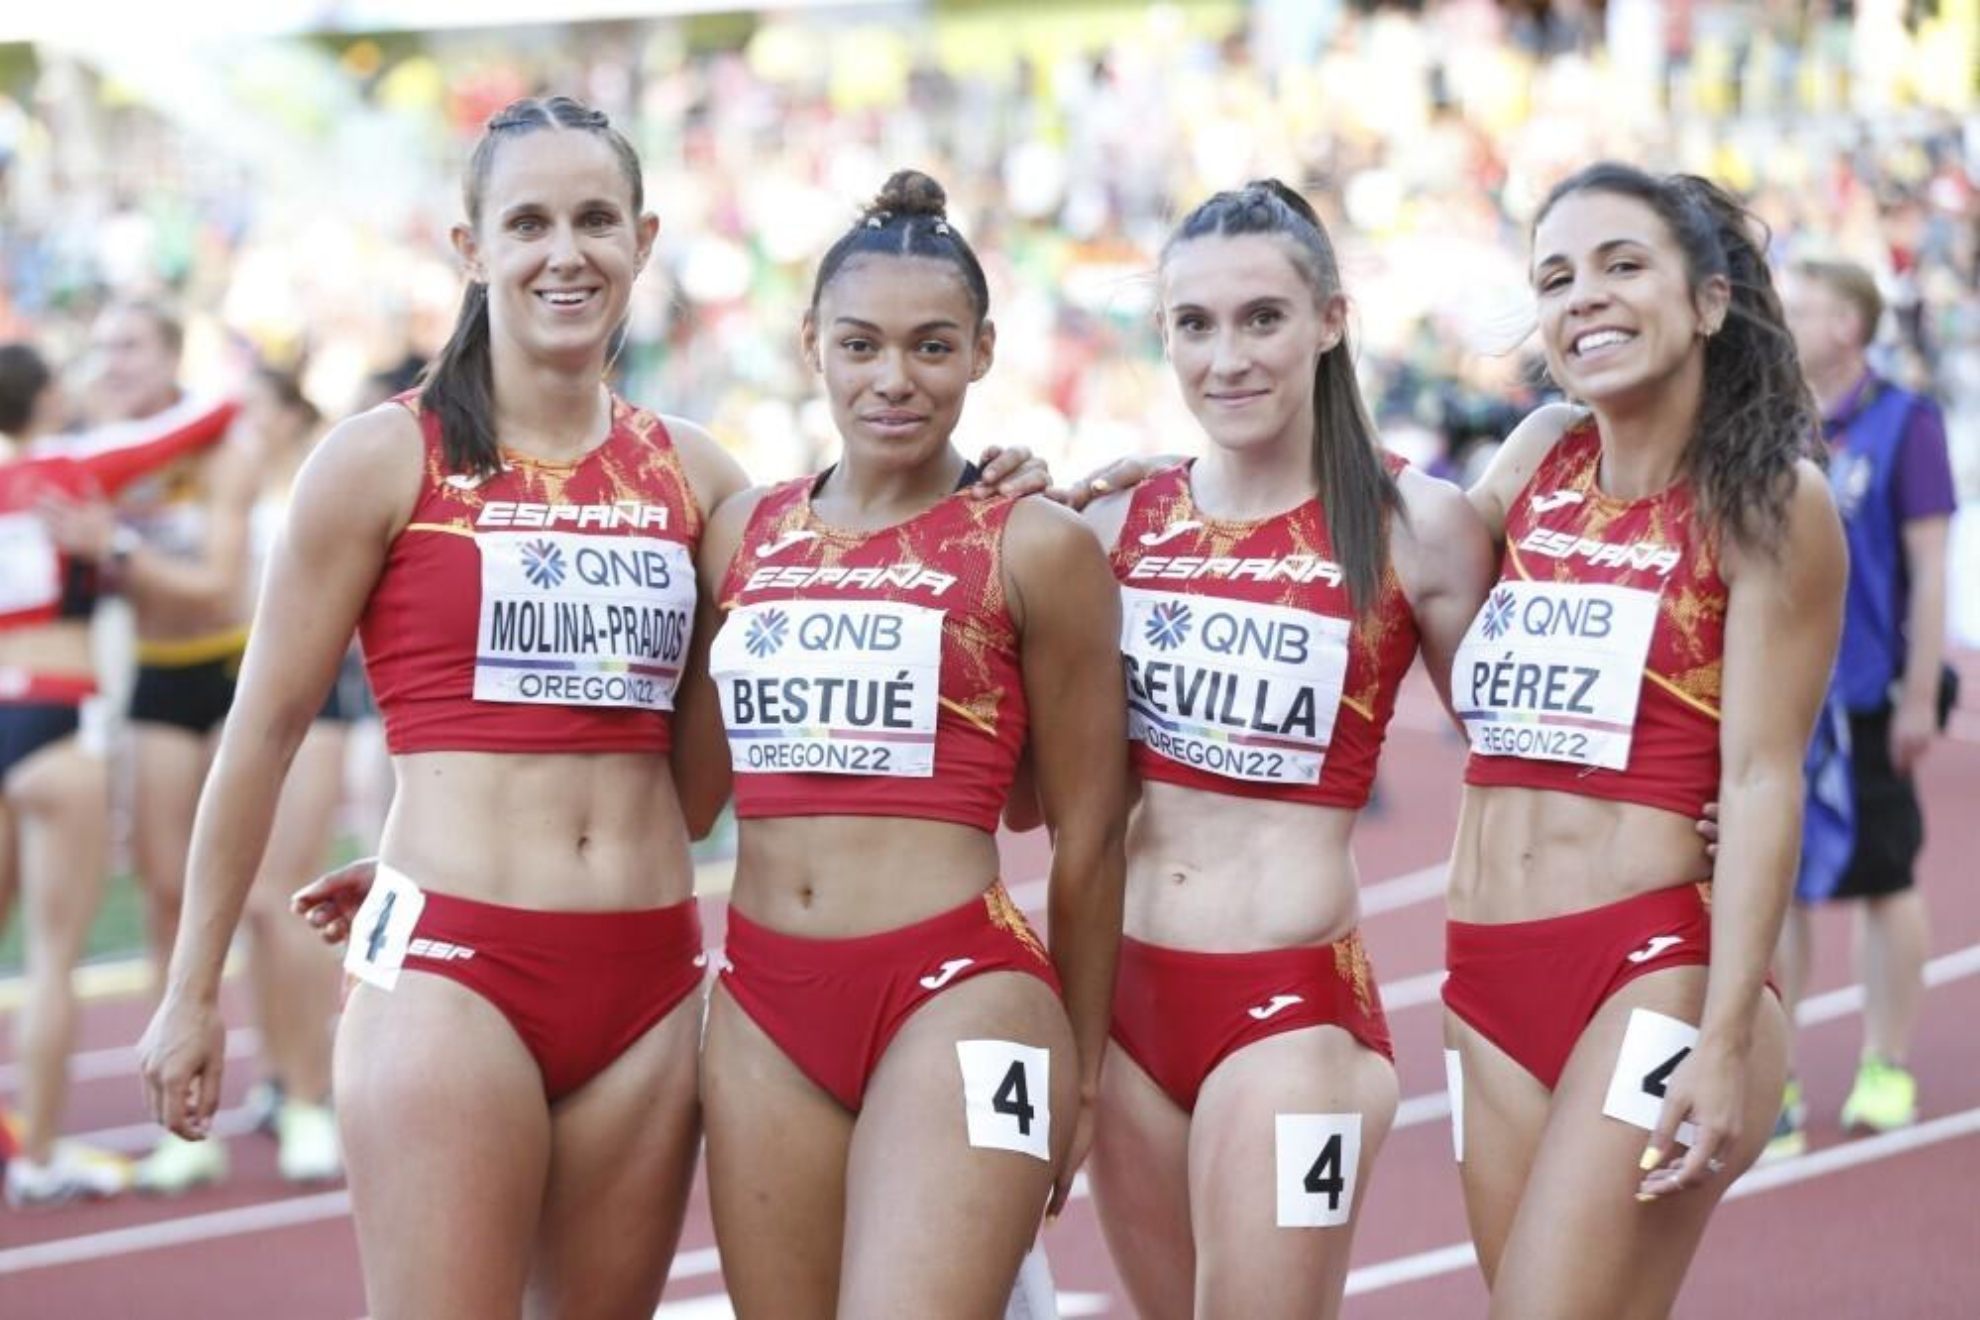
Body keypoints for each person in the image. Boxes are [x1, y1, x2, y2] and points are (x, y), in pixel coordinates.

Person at [142, 100, 1041, 1315]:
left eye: (594, 221)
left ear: (644, 238)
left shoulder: (706, 480)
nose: (565, 252)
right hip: (455, 969)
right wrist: (192, 990)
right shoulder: (379, 459)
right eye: (528, 223)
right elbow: (262, 729)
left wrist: (1003, 494)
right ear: (471, 247)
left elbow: (814, 674)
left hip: (650, 983)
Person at [673, 169, 1126, 1318]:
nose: (893, 379)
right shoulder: (741, 533)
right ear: (810, 342)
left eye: (930, 348)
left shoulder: (1039, 545)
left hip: (960, 989)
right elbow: (674, 799)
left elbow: (1083, 832)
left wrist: (1078, 1073)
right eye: (861, 346)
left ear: (981, 350)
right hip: (766, 1002)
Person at [1069, 180, 1492, 1319]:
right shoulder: (1112, 526)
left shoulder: (1422, 530)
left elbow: (1531, 752)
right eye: (1194, 325)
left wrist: (1693, 811)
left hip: (1291, 1010)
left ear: (1330, 321)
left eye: (1262, 318)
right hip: (1125, 1004)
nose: (1228, 357)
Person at [1444, 164, 1844, 1315]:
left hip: (1651, 969)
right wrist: (1156, 490)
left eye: (1623, 265)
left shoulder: (1768, 498)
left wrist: (1725, 1044)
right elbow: (1380, 583)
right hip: (1483, 978)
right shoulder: (1536, 456)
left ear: (1710, 302)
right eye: (1557, 279)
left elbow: (1768, 774)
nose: (1586, 299)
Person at [2, 341, 234, 1204]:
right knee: (53, 960)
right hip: (60, 719)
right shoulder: (69, 465)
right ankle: (40, 1158)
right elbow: (207, 414)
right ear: (47, 396)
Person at [1768, 256, 1956, 1152]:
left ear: (1847, 325)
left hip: (1867, 697)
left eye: (1801, 308)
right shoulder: (1768, 425)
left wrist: (1920, 692)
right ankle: (1778, 1078)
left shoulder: (1902, 423)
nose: (1786, 320)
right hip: (1777, 696)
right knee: (1774, 888)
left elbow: (1929, 568)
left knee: (1886, 880)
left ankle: (1886, 1062)